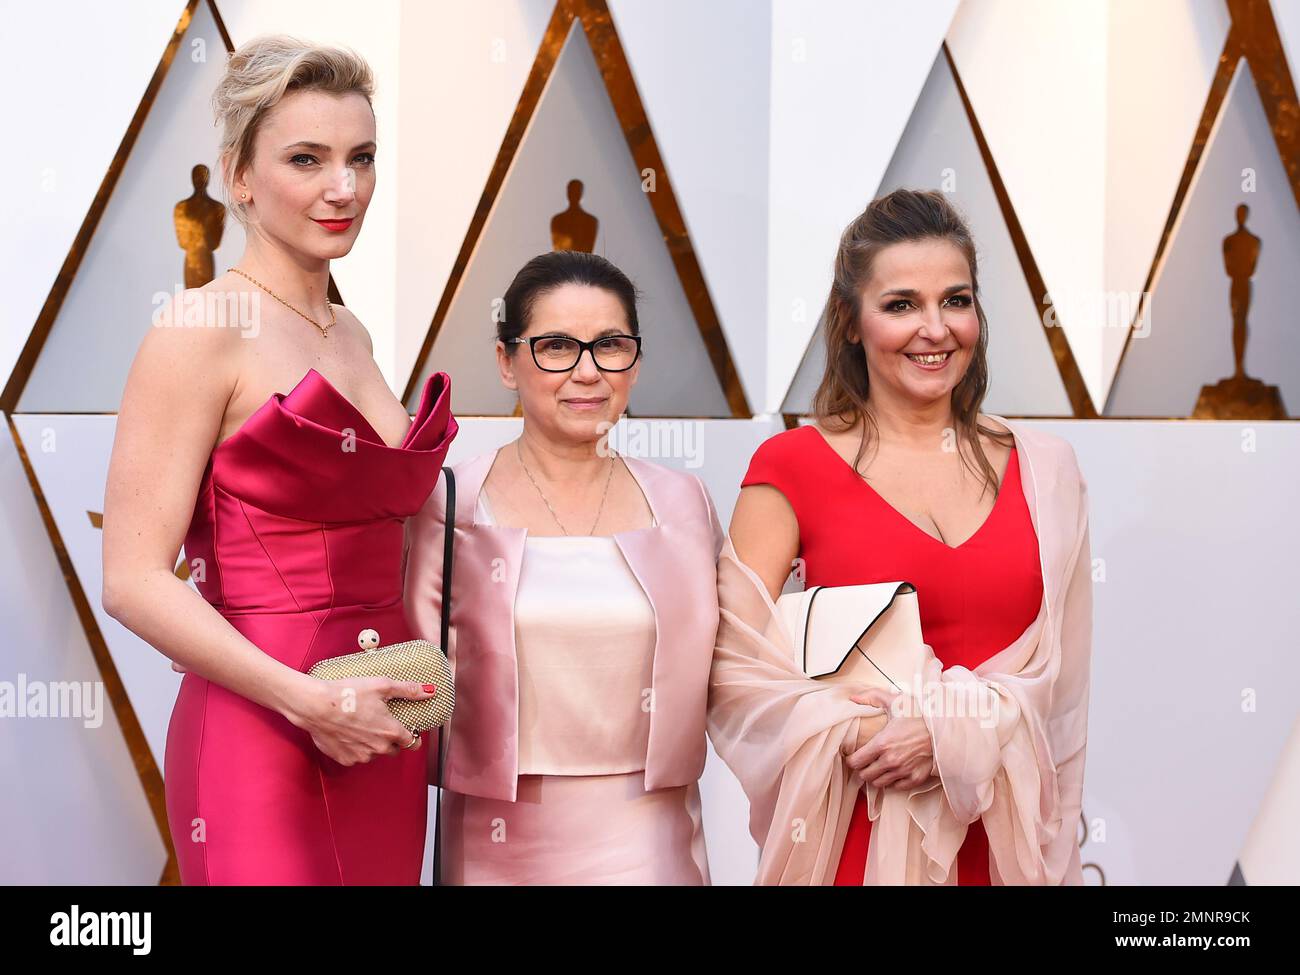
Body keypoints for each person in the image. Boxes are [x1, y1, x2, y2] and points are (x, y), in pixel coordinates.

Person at [101, 35, 457, 885]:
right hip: (263, 733)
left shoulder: (357, 333)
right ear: (240, 175)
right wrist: (310, 699)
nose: (345, 188)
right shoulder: (198, 329)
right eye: (308, 159)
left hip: (380, 731)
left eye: (361, 159)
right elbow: (132, 578)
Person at [711, 188, 1092, 885]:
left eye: (956, 299)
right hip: (859, 829)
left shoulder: (1048, 470)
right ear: (851, 323)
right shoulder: (791, 465)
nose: (935, 327)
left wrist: (954, 738)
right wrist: (871, 734)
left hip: (1007, 844)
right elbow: (732, 664)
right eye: (900, 304)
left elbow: (1061, 685)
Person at [404, 250, 723, 884]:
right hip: (497, 844)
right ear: (506, 362)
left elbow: (736, 663)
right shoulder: (449, 504)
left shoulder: (685, 503)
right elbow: (412, 685)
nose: (587, 372)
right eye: (555, 346)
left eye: (610, 345)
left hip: (651, 841)